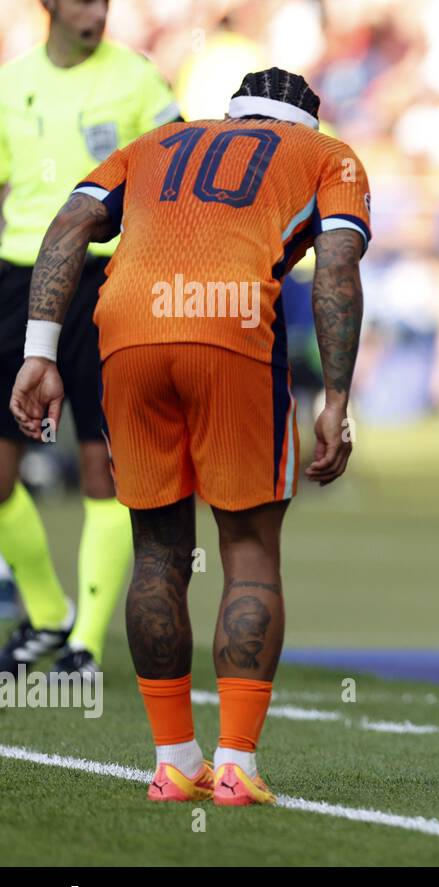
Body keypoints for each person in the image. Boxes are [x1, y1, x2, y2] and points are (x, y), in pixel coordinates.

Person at [9, 67, 370, 806]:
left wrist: (39, 355)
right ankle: (235, 764)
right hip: (232, 325)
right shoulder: (328, 157)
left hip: (128, 326)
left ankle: (175, 761)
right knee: (247, 551)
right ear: (305, 124)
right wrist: (336, 397)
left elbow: (68, 226)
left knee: (158, 551)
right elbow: (335, 265)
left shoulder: (156, 143)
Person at [0, 0, 179, 678]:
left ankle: (86, 644)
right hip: (19, 280)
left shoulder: (137, 78)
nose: (95, 10)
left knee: (106, 466)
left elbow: (177, 172)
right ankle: (46, 614)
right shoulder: (10, 84)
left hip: (107, 282)